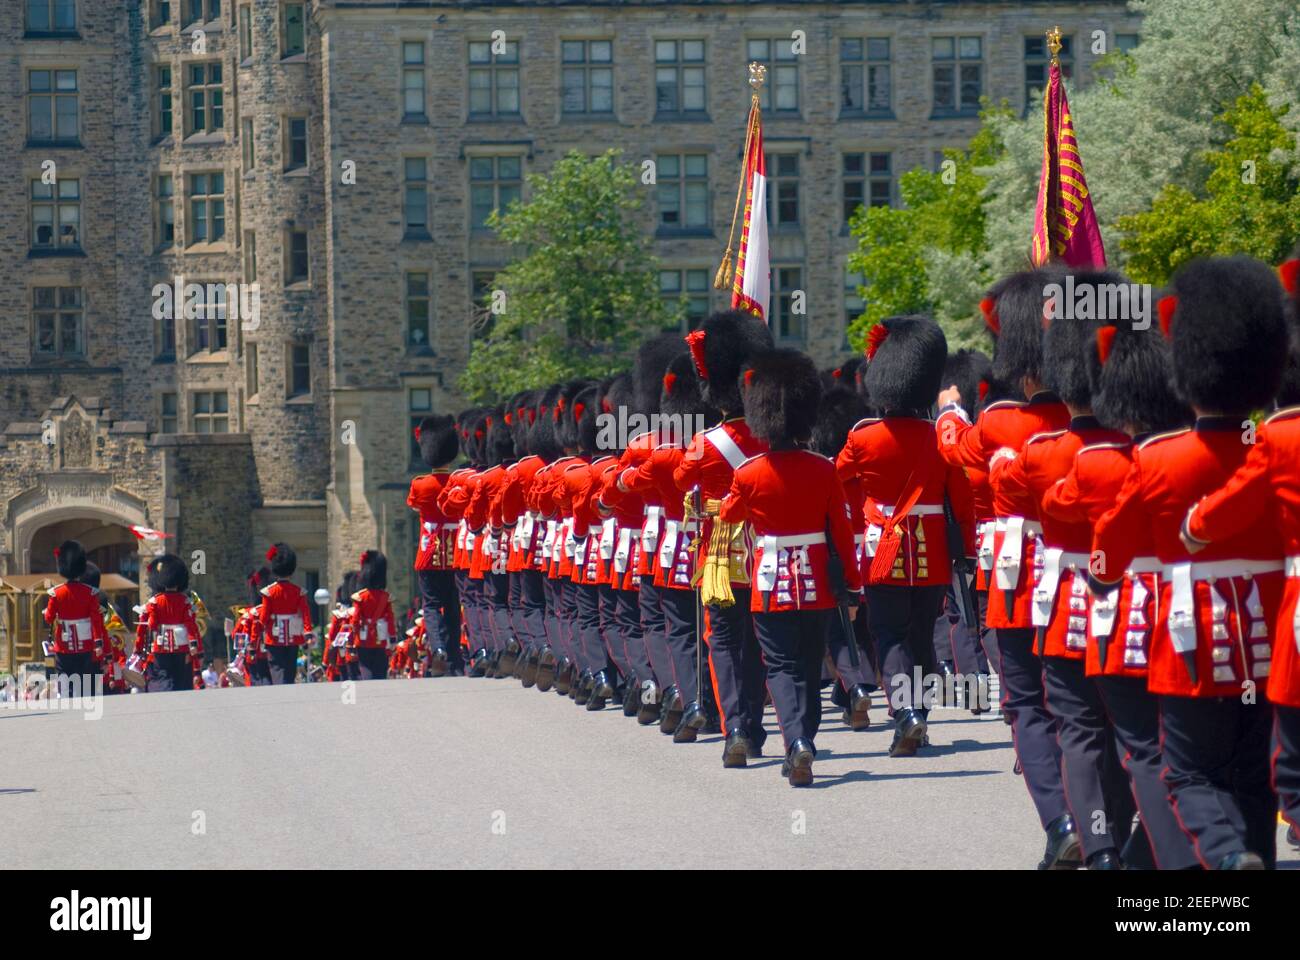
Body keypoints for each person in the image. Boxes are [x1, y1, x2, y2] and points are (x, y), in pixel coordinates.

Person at [1096, 255, 1288, 869]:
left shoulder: (1159, 460)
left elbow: (1110, 548)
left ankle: (1229, 859)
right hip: (1269, 638)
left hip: (1192, 641)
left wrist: (1101, 575)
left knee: (1187, 772)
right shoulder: (1272, 447)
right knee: (1255, 776)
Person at [1040, 313, 1199, 870]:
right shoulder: (1196, 454)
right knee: (1175, 747)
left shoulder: (1096, 462)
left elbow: (1079, 525)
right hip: (1195, 612)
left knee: (1113, 738)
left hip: (1122, 612)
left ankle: (1118, 851)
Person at [991, 272, 1137, 868]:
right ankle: (1114, 838)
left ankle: (1065, 825)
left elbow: (988, 471)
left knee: (1037, 706)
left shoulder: (1008, 431)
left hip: (1038, 590)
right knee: (1119, 725)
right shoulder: (1134, 446)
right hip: (1125, 594)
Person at [935, 267, 1078, 869]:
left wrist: (948, 408)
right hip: (1080, 584)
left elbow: (955, 449)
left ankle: (1061, 822)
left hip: (1018, 584)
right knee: (1079, 708)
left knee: (1025, 704)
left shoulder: (997, 422)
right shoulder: (1083, 423)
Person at [721, 349, 862, 786]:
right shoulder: (823, 469)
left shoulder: (749, 473)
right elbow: (842, 531)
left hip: (771, 584)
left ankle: (796, 741)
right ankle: (805, 742)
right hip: (817, 582)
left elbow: (729, 517)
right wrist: (852, 589)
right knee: (806, 664)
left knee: (779, 666)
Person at [838, 316, 975, 756]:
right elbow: (962, 498)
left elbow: (836, 477)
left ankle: (906, 715)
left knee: (889, 635)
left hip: (882, 551)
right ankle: (921, 718)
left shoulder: (863, 437)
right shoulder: (939, 437)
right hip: (931, 550)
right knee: (921, 638)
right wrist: (966, 552)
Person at [675, 310, 773, 768]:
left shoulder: (705, 443)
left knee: (725, 640)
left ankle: (734, 725)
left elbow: (680, 477)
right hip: (768, 548)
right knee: (758, 639)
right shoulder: (771, 440)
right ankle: (754, 727)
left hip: (721, 551)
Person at [408, 414, 462, 676]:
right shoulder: (460, 482)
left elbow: (415, 504)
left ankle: (438, 647)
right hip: (457, 554)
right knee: (453, 604)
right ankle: (454, 659)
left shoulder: (420, 484)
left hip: (429, 553)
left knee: (431, 605)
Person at [43, 540, 107, 697]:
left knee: (65, 682)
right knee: (86, 684)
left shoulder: (56, 593)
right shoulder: (90, 593)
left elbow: (49, 618)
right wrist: (98, 642)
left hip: (64, 645)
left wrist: (49, 613)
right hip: (86, 645)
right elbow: (96, 620)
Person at [134, 553, 202, 692]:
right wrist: (195, 645)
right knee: (181, 677)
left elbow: (150, 625)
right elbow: (191, 625)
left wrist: (138, 648)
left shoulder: (155, 601)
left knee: (162, 676)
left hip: (160, 646)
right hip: (182, 647)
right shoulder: (185, 601)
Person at [257, 543, 312, 684]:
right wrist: (308, 632)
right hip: (293, 635)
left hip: (274, 636)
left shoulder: (269, 592)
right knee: (289, 668)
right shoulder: (298, 591)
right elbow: (305, 613)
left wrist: (257, 632)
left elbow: (264, 617)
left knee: (276, 668)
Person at [350, 550, 397, 681]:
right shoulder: (385, 597)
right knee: (380, 672)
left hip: (363, 640)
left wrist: (353, 639)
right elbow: (390, 619)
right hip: (381, 639)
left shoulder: (361, 597)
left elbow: (356, 620)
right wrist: (392, 638)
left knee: (365, 670)